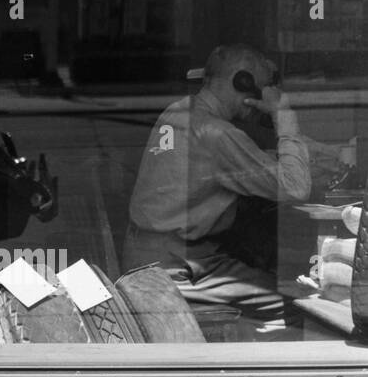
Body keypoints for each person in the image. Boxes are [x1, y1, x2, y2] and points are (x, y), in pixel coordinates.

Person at [125, 43, 313, 325]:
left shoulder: (178, 111)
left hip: (150, 259)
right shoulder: (218, 134)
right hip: (180, 269)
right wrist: (283, 116)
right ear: (243, 82)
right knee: (298, 304)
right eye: (260, 89)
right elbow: (296, 187)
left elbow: (219, 164)